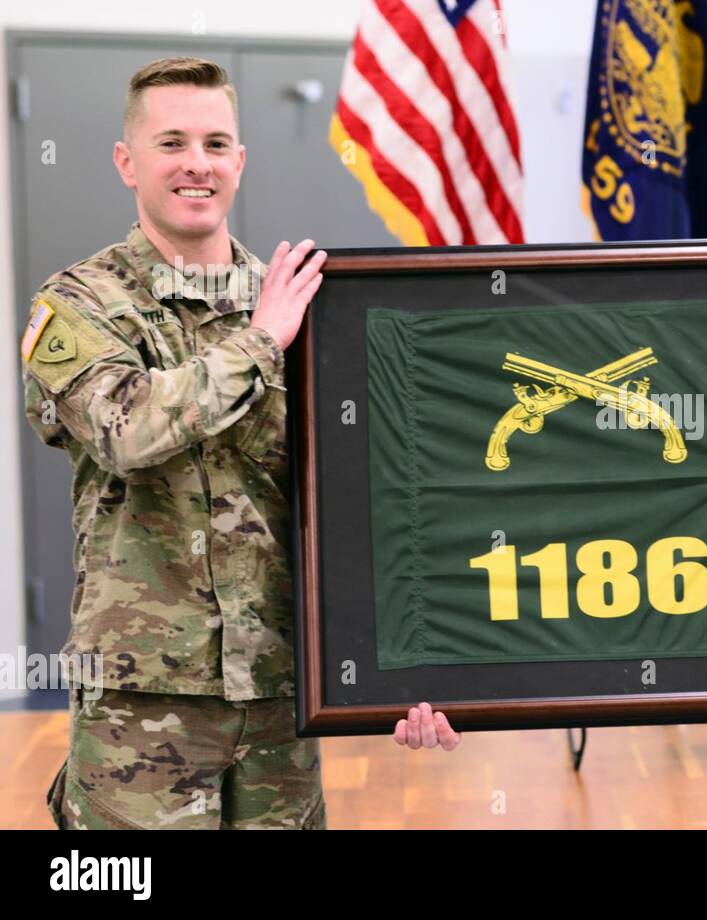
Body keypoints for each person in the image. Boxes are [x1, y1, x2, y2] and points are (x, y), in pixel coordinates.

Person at [22, 57, 455, 829]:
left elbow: (371, 503)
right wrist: (261, 344)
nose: (198, 163)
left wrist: (402, 673)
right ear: (127, 162)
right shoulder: (77, 303)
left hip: (282, 694)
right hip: (142, 699)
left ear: (240, 161)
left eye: (217, 143)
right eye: (172, 142)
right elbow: (129, 430)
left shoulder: (306, 308)